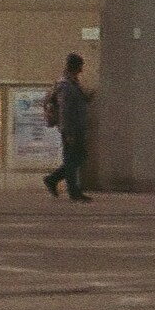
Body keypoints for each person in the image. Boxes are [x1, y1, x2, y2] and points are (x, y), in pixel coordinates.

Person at [43, 54, 94, 202]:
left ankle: (52, 179)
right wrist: (68, 132)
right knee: (72, 160)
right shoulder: (65, 85)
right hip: (71, 129)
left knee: (78, 158)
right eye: (81, 66)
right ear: (76, 67)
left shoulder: (74, 83)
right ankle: (73, 192)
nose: (82, 69)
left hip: (77, 128)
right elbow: (65, 111)